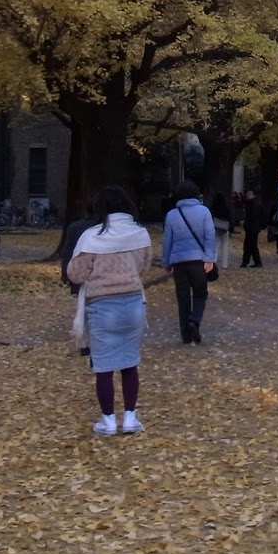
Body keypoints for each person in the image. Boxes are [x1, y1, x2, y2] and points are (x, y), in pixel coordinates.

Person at [66, 184, 153, 434]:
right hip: (134, 303)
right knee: (129, 363)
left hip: (102, 306)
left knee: (103, 366)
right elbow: (144, 266)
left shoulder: (92, 237)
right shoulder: (140, 234)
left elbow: (76, 273)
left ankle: (107, 420)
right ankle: (129, 418)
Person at [163, 179, 218, 344]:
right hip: (198, 261)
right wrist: (209, 259)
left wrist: (167, 262)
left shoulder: (172, 215)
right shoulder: (204, 212)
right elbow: (210, 236)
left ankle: (185, 335)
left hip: (179, 262)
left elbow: (167, 241)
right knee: (200, 293)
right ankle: (194, 320)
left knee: (183, 297)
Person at [240, 190, 264, 268]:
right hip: (253, 227)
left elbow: (252, 216)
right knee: (250, 245)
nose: (247, 195)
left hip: (251, 227)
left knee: (250, 245)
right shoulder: (254, 203)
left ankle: (251, 262)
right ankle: (248, 262)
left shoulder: (252, 203)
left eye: (248, 194)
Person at [210, 191, 234, 269]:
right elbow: (230, 217)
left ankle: (214, 262)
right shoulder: (226, 207)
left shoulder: (213, 207)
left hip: (216, 227)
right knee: (225, 246)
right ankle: (225, 264)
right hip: (225, 227)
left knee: (216, 245)